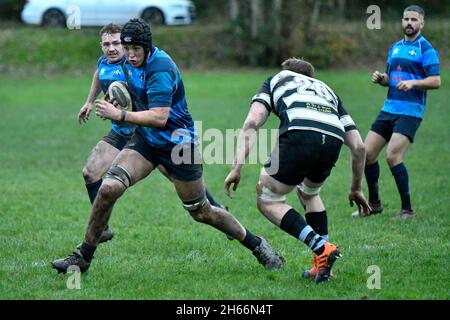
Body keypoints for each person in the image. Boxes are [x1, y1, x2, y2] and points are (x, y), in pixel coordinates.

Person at [52, 18, 284, 273]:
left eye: (135, 50)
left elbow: (159, 117)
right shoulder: (129, 61)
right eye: (126, 49)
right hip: (146, 142)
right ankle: (83, 257)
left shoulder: (160, 67)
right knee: (108, 188)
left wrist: (120, 115)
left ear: (147, 47)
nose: (129, 55)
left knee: (202, 211)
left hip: (178, 145)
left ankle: (257, 245)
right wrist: (116, 98)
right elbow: (129, 90)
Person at [77, 23, 231, 245]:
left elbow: (155, 109)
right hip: (122, 131)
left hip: (146, 132)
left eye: (117, 43)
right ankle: (101, 229)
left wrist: (118, 110)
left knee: (179, 179)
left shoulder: (136, 65)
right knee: (90, 172)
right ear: (100, 46)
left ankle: (216, 211)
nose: (112, 49)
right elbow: (100, 76)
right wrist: (90, 101)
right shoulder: (105, 63)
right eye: (106, 44)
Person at [224, 58, 370, 283]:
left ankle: (322, 248)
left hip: (300, 134)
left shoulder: (278, 79)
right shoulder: (327, 90)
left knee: (268, 199)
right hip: (332, 140)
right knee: (309, 193)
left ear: (288, 71)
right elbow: (359, 146)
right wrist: (356, 188)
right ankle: (323, 269)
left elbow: (253, 121)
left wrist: (236, 168)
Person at [352, 5, 441, 219]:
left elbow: (436, 81)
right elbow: (391, 80)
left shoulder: (426, 49)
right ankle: (374, 204)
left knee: (393, 156)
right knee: (367, 153)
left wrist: (413, 83)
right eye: (406, 19)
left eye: (414, 19)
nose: (409, 23)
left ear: (421, 23)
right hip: (389, 108)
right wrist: (382, 79)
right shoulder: (395, 48)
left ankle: (407, 209)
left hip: (411, 111)